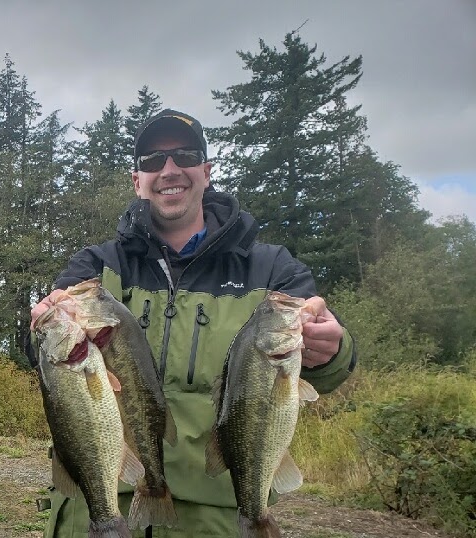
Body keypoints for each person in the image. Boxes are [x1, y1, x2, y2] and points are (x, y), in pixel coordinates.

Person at [30, 109, 356, 537]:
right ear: (137, 180)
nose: (168, 170)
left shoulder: (272, 269)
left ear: (205, 171)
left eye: (183, 156)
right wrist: (40, 326)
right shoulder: (97, 265)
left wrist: (332, 350)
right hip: (98, 505)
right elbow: (44, 354)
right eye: (152, 161)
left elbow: (328, 365)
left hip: (213, 517)